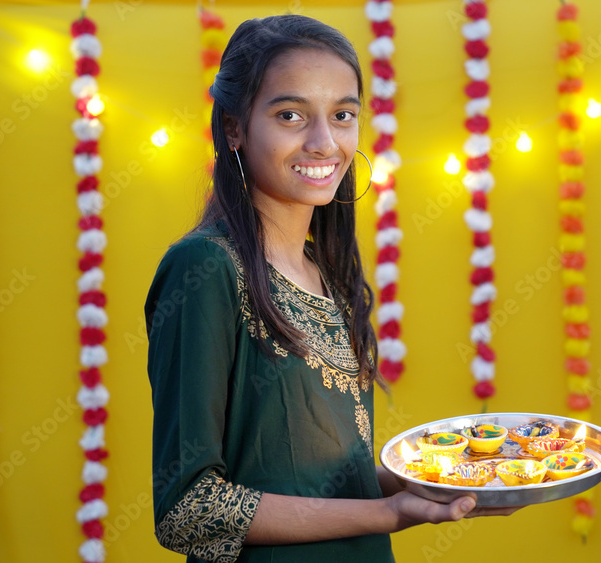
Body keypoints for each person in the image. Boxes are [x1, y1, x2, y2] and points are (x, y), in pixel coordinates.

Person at [144, 14, 516, 563]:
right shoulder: (206, 269)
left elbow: (321, 479)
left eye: (343, 115)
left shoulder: (328, 273)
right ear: (233, 128)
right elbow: (189, 510)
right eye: (290, 115)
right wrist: (388, 514)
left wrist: (434, 481)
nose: (324, 143)